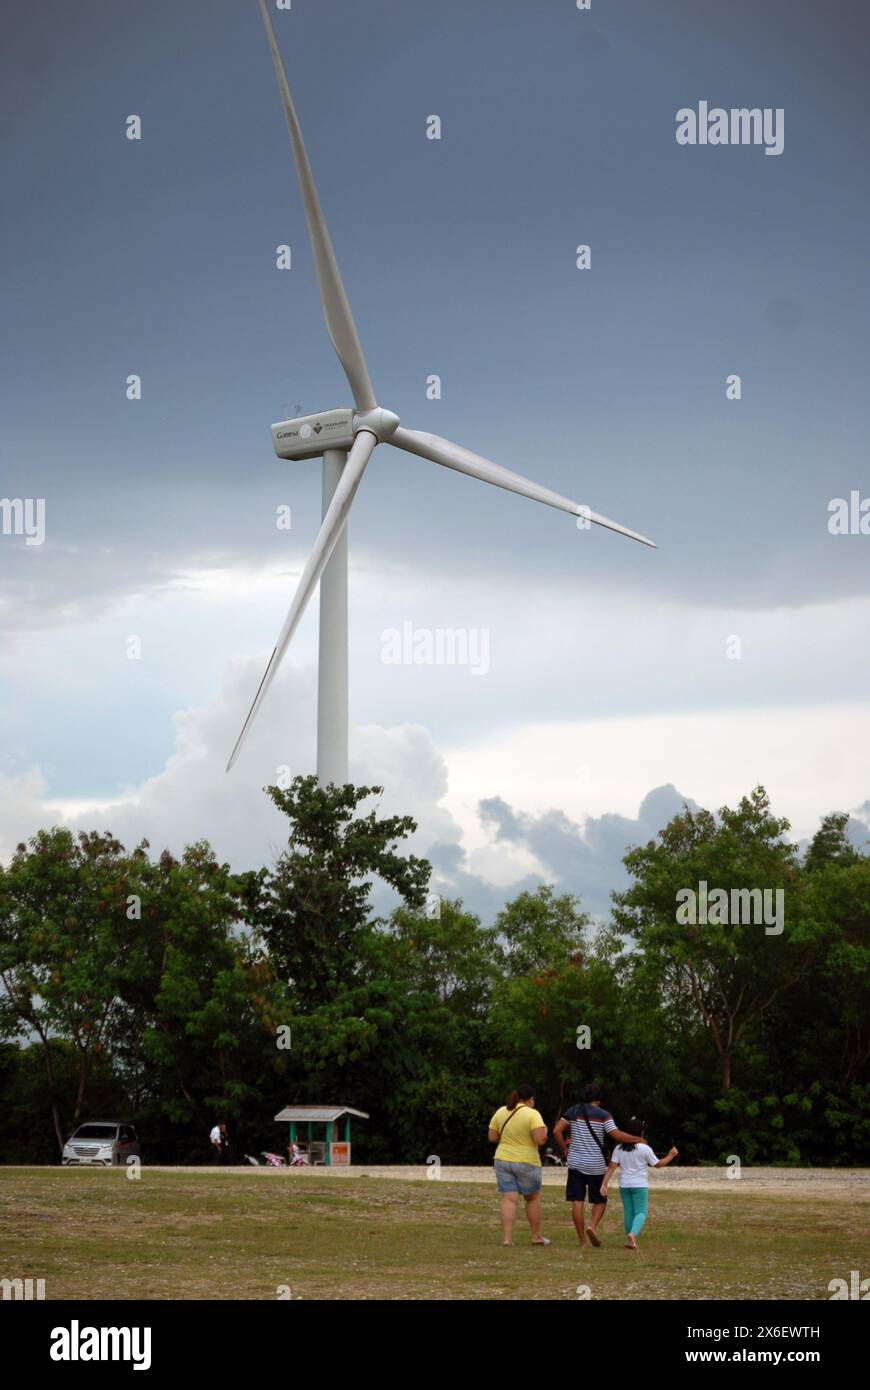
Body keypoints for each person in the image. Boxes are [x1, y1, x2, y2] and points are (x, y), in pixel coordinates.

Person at [552, 1082, 646, 1249]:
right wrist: (637, 1139)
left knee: (577, 1202)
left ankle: (582, 1241)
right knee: (600, 1200)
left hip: (575, 1163)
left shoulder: (573, 1111)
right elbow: (616, 1135)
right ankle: (592, 1226)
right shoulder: (603, 1115)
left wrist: (565, 1149)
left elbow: (556, 1131)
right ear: (599, 1098)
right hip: (595, 1164)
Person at [488, 1085, 551, 1248]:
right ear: (530, 1099)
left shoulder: (501, 1111)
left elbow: (492, 1137)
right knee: (532, 1198)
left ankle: (507, 1239)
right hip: (526, 1161)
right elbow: (539, 1140)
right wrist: (545, 1133)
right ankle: (536, 1236)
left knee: (509, 1199)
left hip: (502, 1159)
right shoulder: (533, 1114)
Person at [600, 1119, 679, 1249]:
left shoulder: (618, 1148)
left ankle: (630, 1240)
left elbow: (611, 1167)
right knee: (641, 1212)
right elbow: (657, 1164)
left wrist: (604, 1184)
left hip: (624, 1185)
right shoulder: (644, 1148)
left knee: (628, 1212)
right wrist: (671, 1155)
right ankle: (632, 1234)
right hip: (640, 1185)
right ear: (640, 1133)